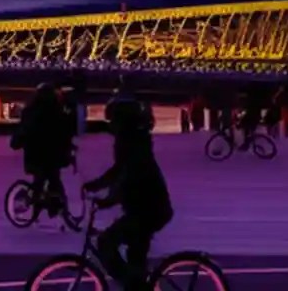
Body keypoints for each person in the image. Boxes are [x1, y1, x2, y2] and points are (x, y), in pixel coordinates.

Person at [83, 99, 173, 291]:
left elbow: (129, 176)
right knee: (135, 258)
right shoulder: (134, 139)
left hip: (147, 210)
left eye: (112, 120)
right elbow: (119, 171)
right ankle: (135, 285)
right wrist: (96, 185)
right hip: (146, 208)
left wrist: (107, 200)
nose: (110, 125)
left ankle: (134, 285)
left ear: (121, 121)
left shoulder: (131, 142)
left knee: (106, 242)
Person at [12, 84, 76, 218]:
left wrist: (16, 142)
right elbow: (65, 133)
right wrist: (69, 149)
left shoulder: (30, 111)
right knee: (54, 180)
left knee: (39, 180)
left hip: (35, 154)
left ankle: (37, 209)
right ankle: (56, 208)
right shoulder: (58, 112)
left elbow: (24, 130)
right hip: (53, 154)